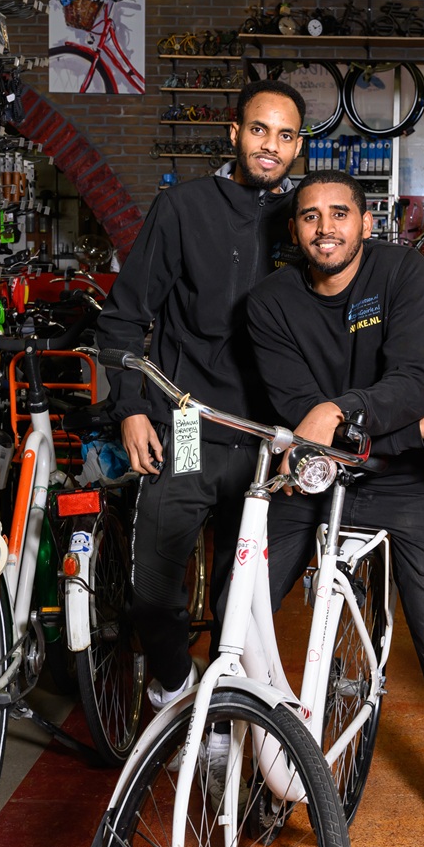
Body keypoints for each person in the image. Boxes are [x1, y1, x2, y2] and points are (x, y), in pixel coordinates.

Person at [245, 169, 424, 847]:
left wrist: (344, 411)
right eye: (309, 217)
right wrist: (419, 426)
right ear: (293, 230)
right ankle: (254, 761)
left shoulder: (400, 273)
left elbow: (415, 378)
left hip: (404, 482)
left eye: (339, 214)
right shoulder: (270, 303)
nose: (325, 228)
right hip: (320, 475)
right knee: (248, 616)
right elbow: (302, 411)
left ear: (365, 221)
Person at [95, 79, 306, 705]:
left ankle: (216, 716)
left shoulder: (305, 220)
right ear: (234, 133)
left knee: (240, 601)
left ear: (298, 146)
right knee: (153, 596)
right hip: (187, 427)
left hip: (267, 442)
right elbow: (125, 316)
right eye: (260, 130)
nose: (271, 146)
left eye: (286, 135)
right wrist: (132, 408)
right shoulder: (183, 208)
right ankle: (175, 688)